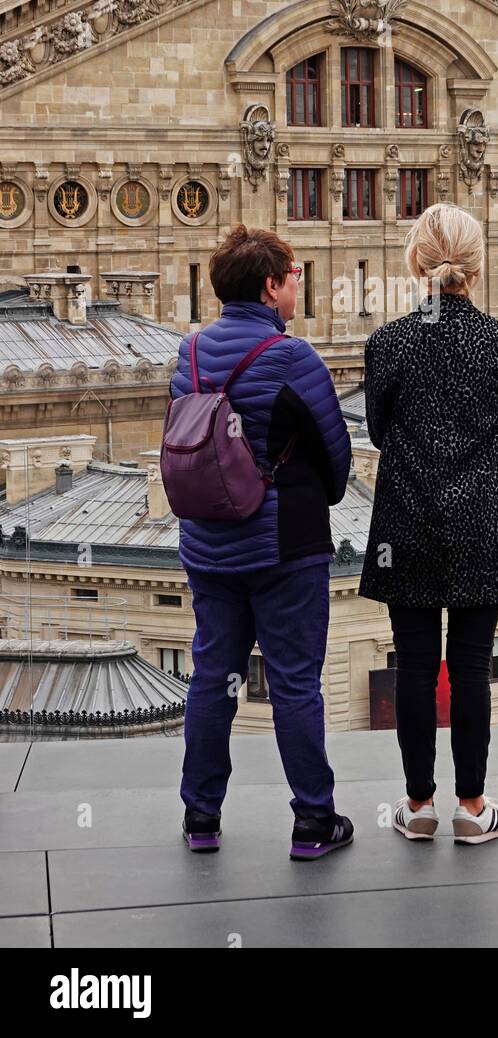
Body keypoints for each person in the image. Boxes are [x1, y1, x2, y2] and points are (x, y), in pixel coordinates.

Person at [170, 224, 353, 860]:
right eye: (294, 276)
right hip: (284, 547)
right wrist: (307, 494)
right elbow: (336, 456)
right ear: (272, 286)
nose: (297, 287)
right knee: (296, 683)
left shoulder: (188, 355)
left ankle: (201, 816)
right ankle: (312, 821)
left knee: (211, 676)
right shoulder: (293, 357)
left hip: (208, 544)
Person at [358, 202, 498, 844]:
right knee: (473, 666)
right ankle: (473, 808)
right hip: (480, 520)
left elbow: (376, 429)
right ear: (476, 270)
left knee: (415, 668)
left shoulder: (389, 343)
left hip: (407, 521)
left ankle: (419, 806)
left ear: (416, 266)